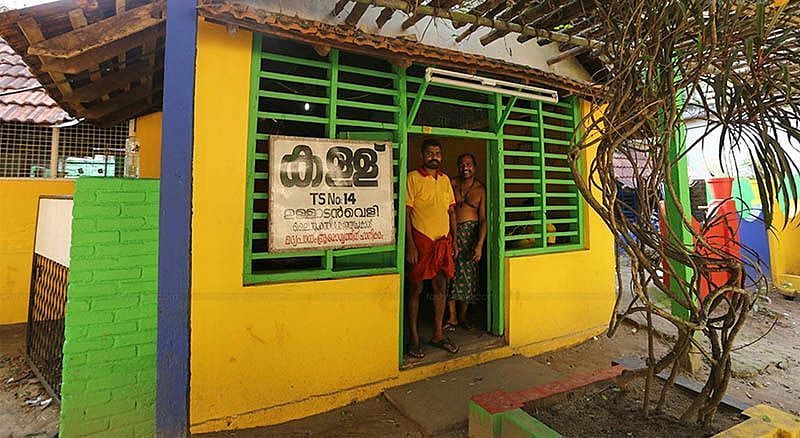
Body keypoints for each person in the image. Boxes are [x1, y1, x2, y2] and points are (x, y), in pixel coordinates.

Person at [405, 138, 460, 358]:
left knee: (440, 288)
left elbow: (451, 212)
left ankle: (438, 334)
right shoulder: (413, 177)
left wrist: (454, 240)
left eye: (437, 153)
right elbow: (407, 214)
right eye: (430, 153)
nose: (434, 156)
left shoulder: (445, 179)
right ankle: (414, 339)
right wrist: (410, 244)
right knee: (416, 290)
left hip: (443, 242)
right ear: (422, 155)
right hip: (421, 242)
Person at [444, 153, 487, 332]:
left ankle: (462, 316)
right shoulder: (450, 183)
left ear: (475, 167)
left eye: (469, 164)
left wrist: (479, 244)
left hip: (470, 236)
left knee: (468, 278)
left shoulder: (480, 189)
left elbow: (484, 219)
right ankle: (452, 317)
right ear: (457, 167)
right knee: (449, 275)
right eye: (462, 165)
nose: (465, 168)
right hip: (450, 234)